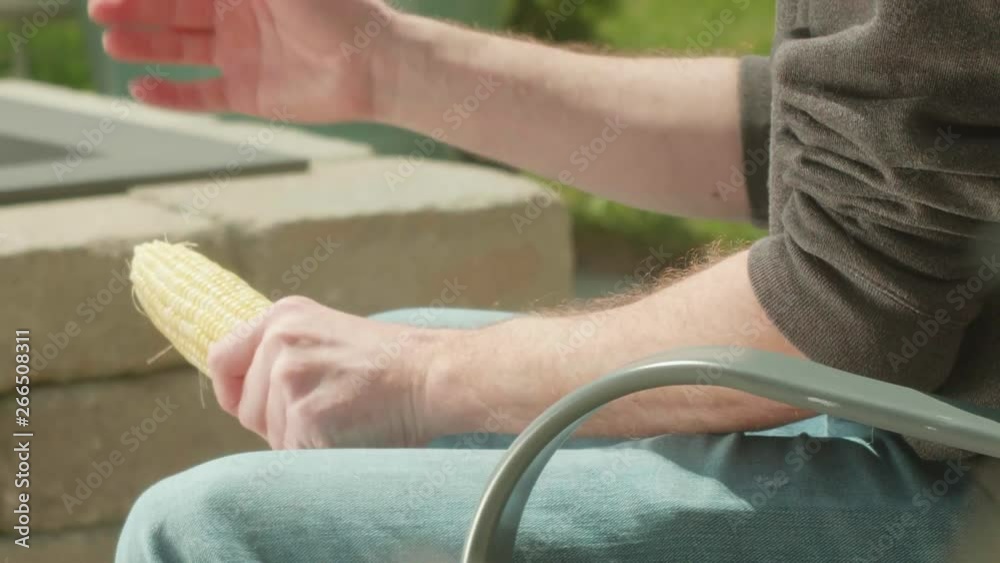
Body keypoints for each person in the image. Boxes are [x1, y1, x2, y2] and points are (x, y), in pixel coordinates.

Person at [89, 0, 1000, 560]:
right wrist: (386, 66)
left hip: (967, 472)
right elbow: (832, 144)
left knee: (206, 530)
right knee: (382, 389)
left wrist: (418, 378)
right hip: (938, 399)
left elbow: (855, 295)